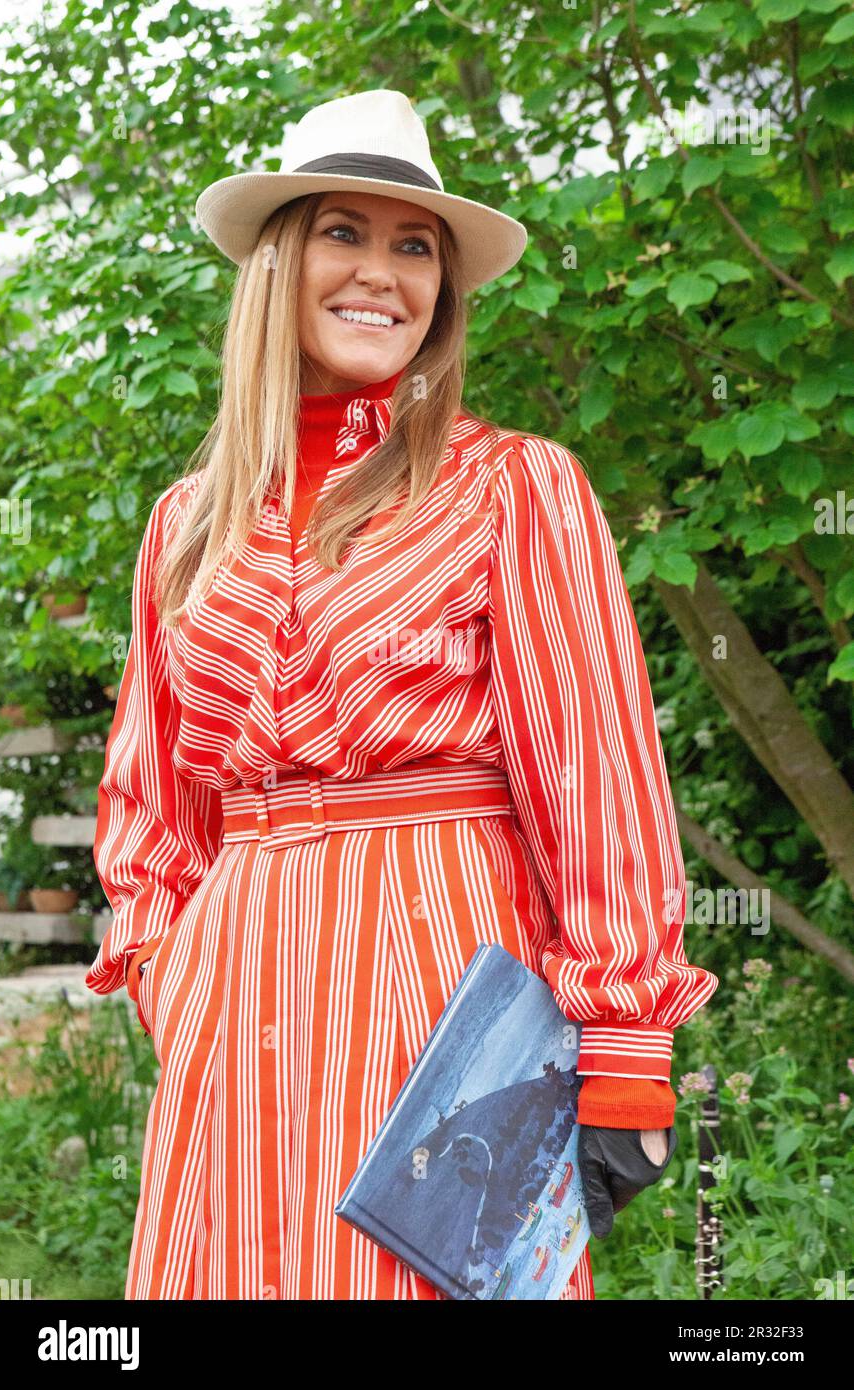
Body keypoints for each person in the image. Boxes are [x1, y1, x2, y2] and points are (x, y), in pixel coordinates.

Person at [86, 89, 719, 1301]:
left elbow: (594, 779)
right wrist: (174, 969)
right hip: (236, 1006)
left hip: (440, 994)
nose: (380, 272)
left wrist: (626, 1048)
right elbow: (150, 802)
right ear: (279, 262)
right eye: (343, 232)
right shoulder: (189, 521)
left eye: (412, 245)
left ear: (442, 288)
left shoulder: (514, 486)